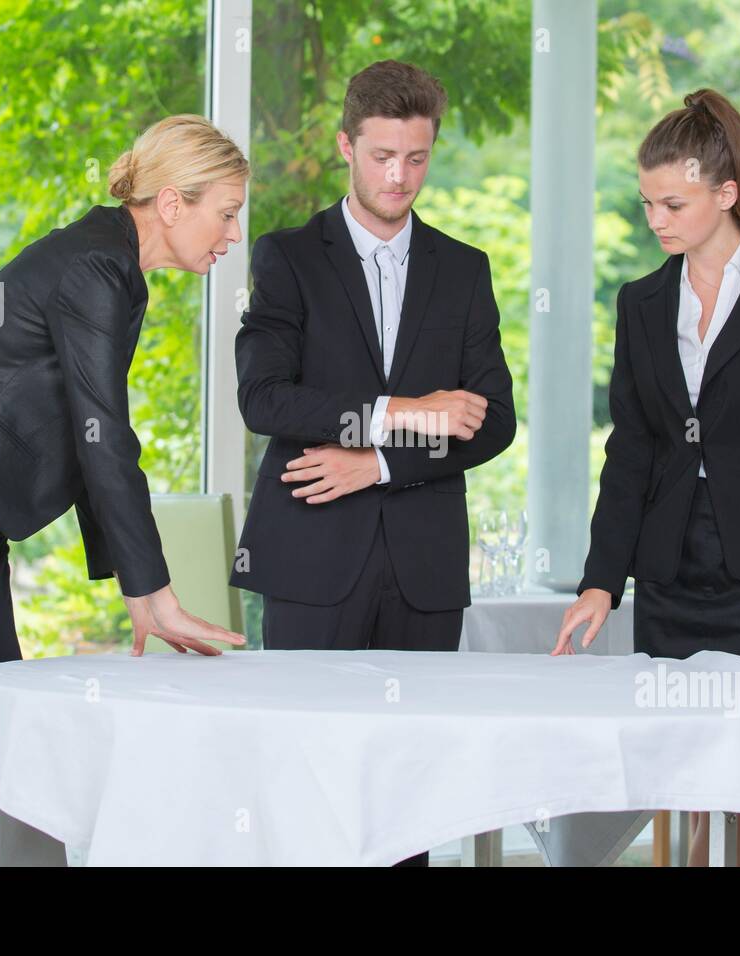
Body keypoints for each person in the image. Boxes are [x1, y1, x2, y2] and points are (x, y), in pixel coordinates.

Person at [0, 115, 249, 867]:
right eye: (226, 213)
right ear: (173, 203)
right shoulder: (99, 269)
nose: (233, 234)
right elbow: (106, 439)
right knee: (1, 753)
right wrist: (151, 590)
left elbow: (86, 433)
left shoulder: (106, 261)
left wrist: (139, 591)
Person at [551, 89, 740, 866]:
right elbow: (632, 451)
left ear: (725, 194)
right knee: (681, 764)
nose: (655, 220)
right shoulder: (642, 302)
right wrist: (600, 581)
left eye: (673, 204)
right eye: (647, 202)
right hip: (670, 576)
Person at [230, 60, 516, 866]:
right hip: (312, 557)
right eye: (383, 156)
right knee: (307, 779)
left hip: (424, 568)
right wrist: (403, 412)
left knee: (406, 794)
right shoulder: (287, 258)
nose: (399, 176)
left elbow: (492, 423)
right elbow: (265, 400)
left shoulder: (464, 269)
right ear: (345, 147)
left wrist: (380, 464)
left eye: (416, 158)